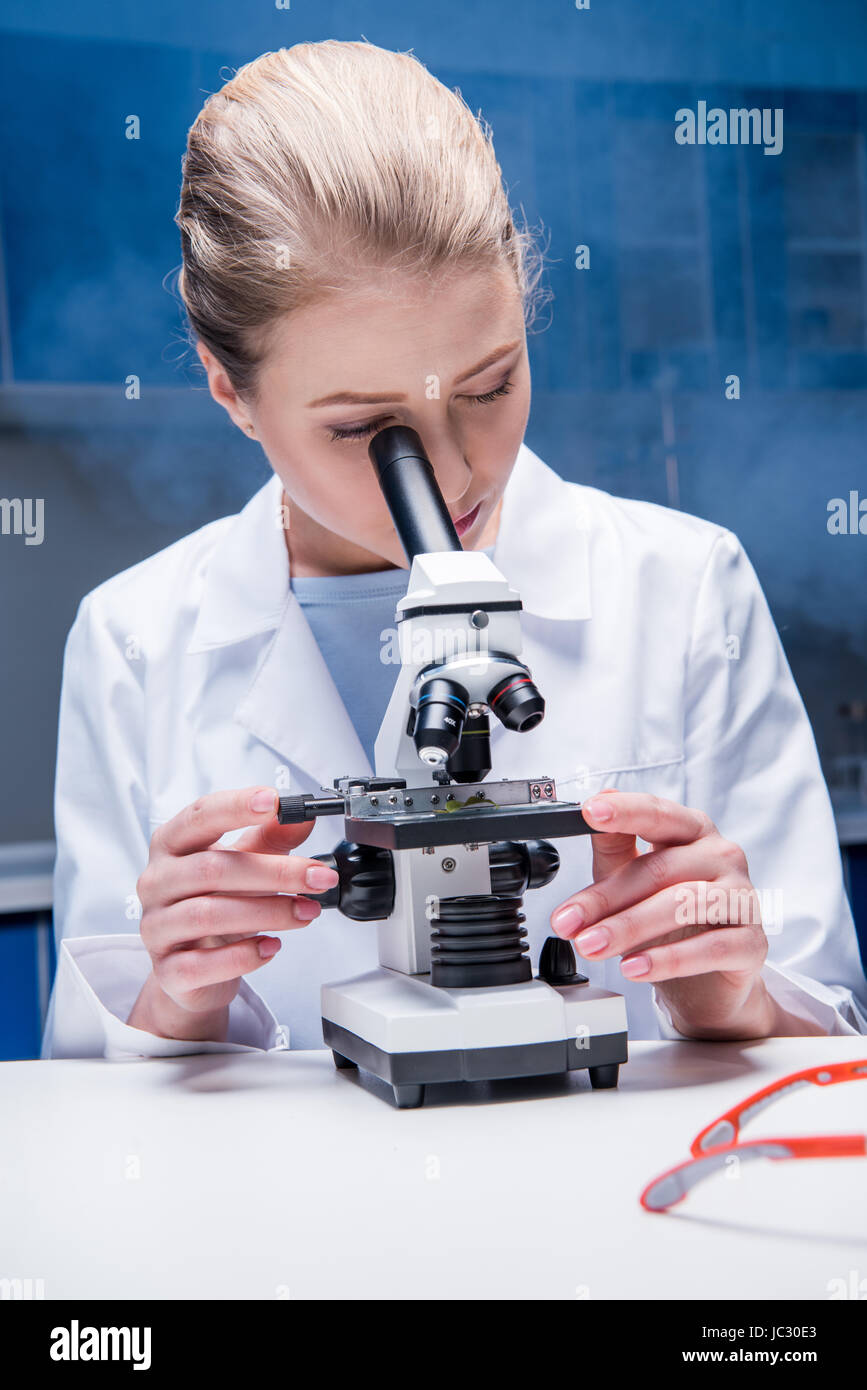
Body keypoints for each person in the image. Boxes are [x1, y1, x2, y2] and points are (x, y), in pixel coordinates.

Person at [42, 40, 867, 1062]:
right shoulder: (134, 641)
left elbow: (828, 1038)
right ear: (228, 389)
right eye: (364, 432)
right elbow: (79, 1115)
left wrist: (729, 997)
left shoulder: (686, 587)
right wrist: (173, 998)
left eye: (488, 387)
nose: (454, 477)